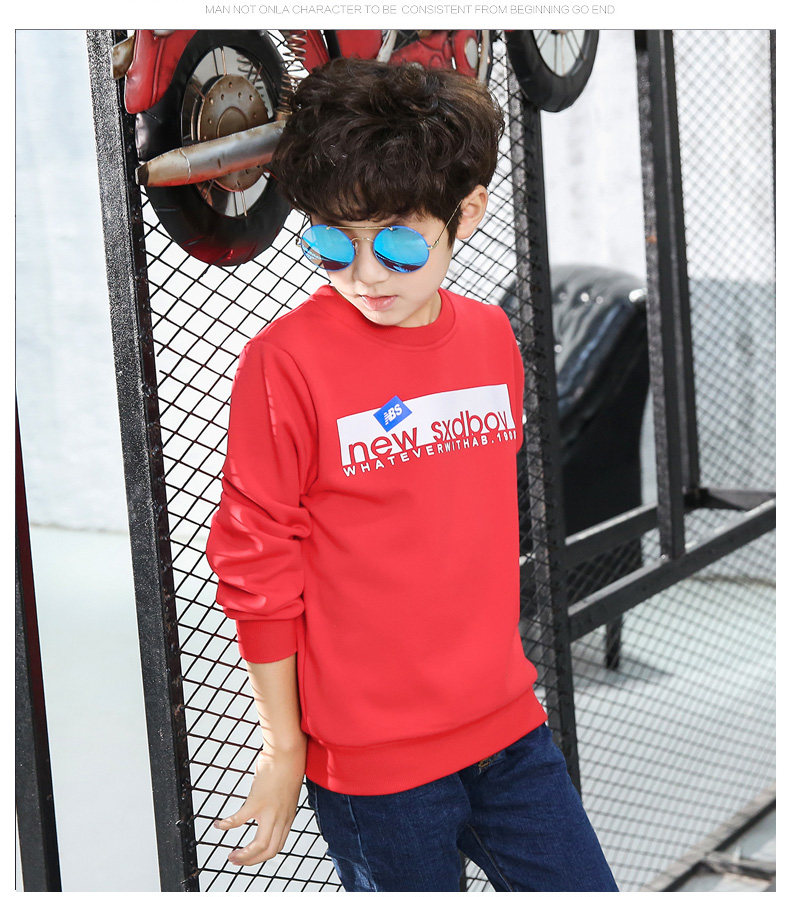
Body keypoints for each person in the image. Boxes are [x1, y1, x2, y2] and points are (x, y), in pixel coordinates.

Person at [206, 56, 618, 892]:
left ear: (467, 213)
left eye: (396, 241)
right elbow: (257, 567)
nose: (363, 275)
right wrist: (285, 746)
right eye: (332, 241)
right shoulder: (285, 363)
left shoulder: (491, 338)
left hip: (509, 731)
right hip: (376, 769)